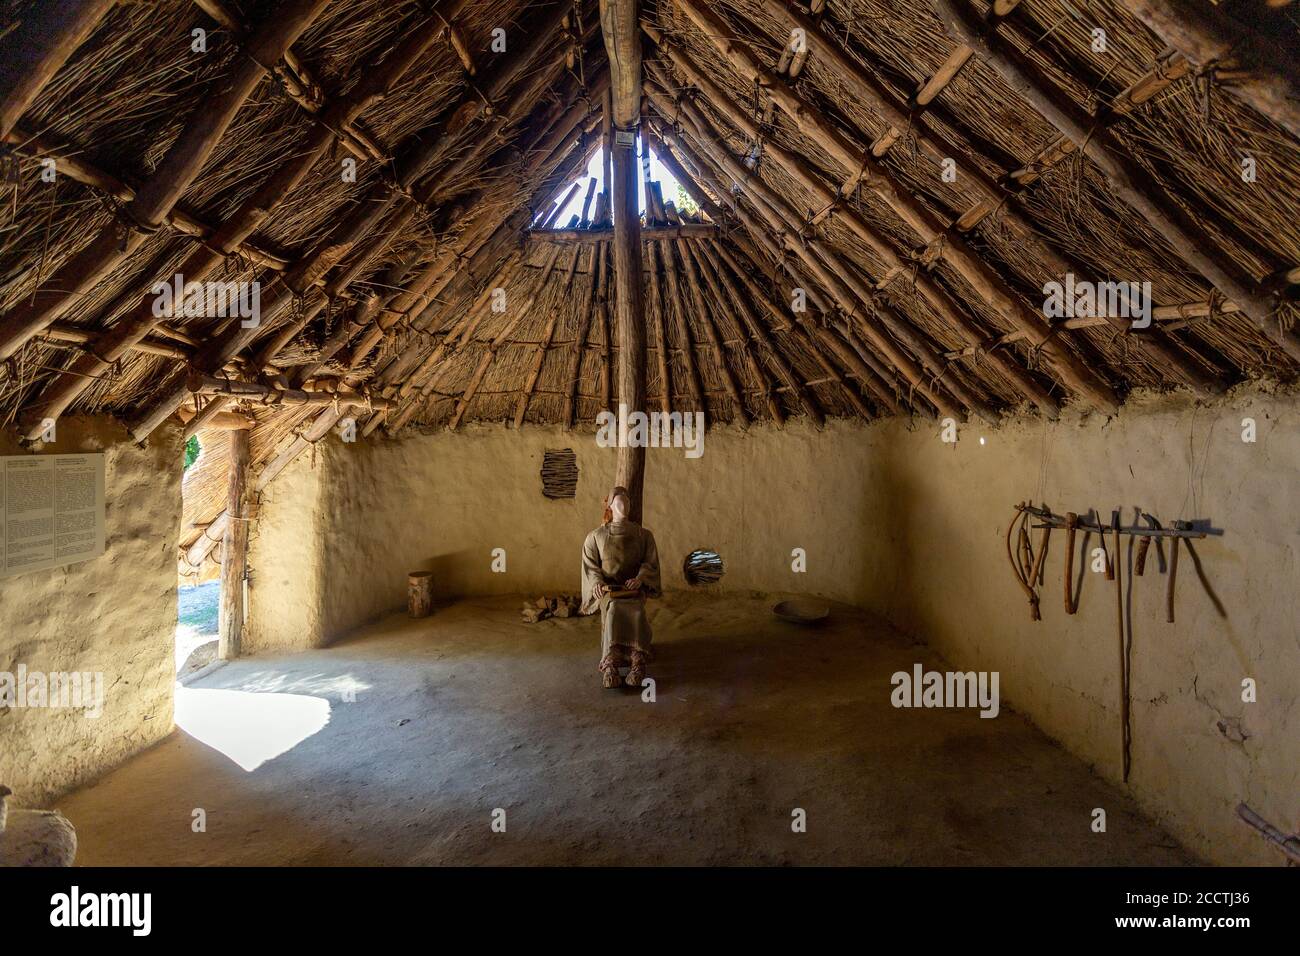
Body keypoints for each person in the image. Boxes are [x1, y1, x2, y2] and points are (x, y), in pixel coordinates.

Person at [580, 486, 661, 689]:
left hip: (633, 589)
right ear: (610, 506)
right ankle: (611, 665)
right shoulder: (595, 537)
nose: (624, 505)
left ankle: (637, 661)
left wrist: (640, 579)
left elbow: (649, 563)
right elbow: (590, 565)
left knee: (636, 608)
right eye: (619, 501)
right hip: (610, 591)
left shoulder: (644, 535)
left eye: (627, 501)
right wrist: (597, 583)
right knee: (614, 608)